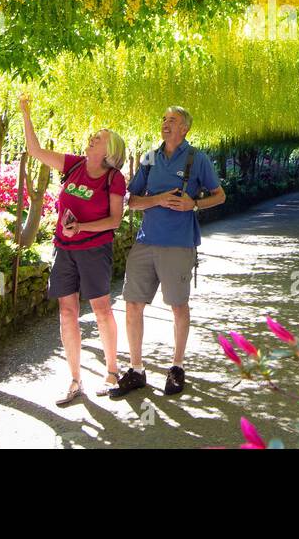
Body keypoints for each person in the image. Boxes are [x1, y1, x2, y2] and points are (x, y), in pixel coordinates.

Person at [109, 106, 225, 398]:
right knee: (133, 304)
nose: (165, 124)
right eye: (163, 119)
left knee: (177, 306)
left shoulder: (197, 159)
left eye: (172, 120)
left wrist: (194, 205)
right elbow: (132, 201)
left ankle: (177, 367)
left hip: (178, 243)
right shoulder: (150, 157)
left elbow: (220, 195)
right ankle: (136, 370)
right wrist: (159, 199)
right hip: (146, 241)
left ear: (185, 128)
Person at [20, 95, 127, 406]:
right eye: (93, 137)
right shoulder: (73, 164)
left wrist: (81, 228)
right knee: (67, 312)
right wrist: (26, 113)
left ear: (109, 152)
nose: (91, 140)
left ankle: (111, 372)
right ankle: (75, 380)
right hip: (63, 249)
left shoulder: (113, 178)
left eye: (98, 139)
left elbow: (115, 220)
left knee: (101, 310)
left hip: (94, 250)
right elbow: (35, 151)